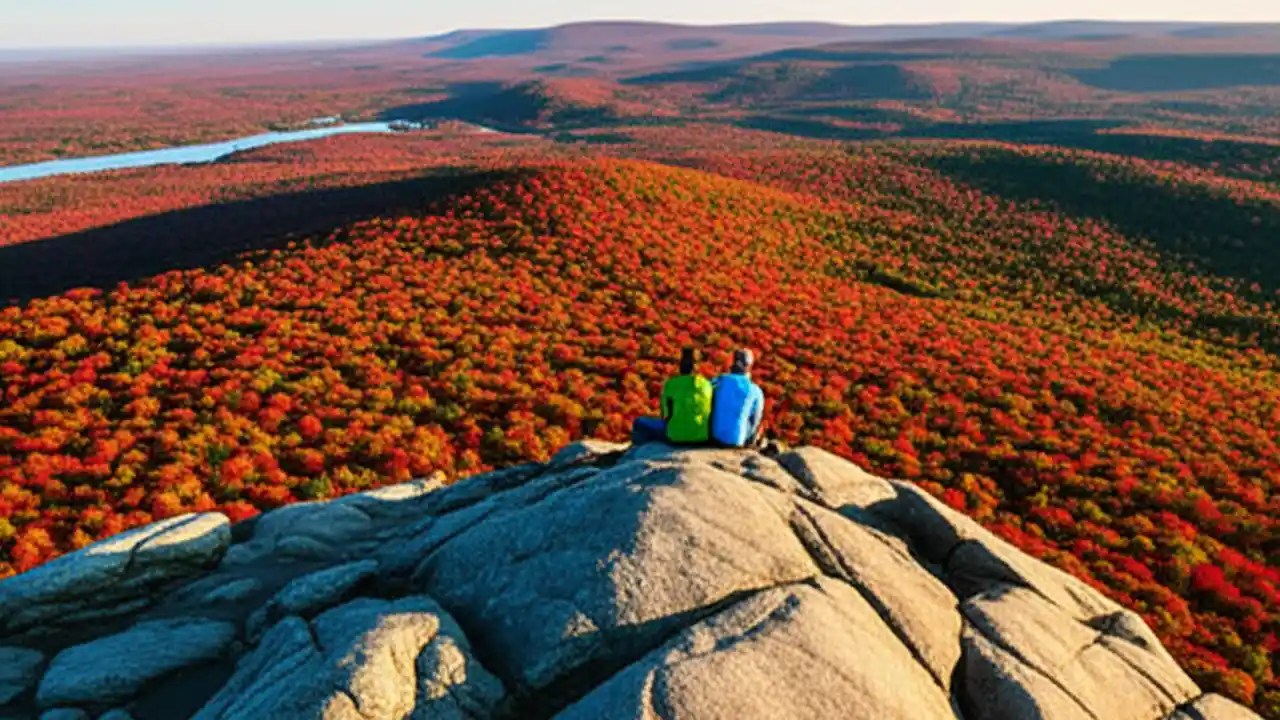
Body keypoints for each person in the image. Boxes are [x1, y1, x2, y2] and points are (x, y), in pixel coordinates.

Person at [630, 347, 713, 445]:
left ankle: (636, 452)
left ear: (681, 366)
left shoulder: (671, 383)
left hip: (675, 436)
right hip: (700, 435)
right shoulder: (706, 384)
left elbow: (665, 414)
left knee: (639, 422)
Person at [710, 348, 765, 448]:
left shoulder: (718, 381)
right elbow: (755, 420)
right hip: (737, 441)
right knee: (758, 425)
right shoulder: (755, 390)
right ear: (749, 366)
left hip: (714, 436)